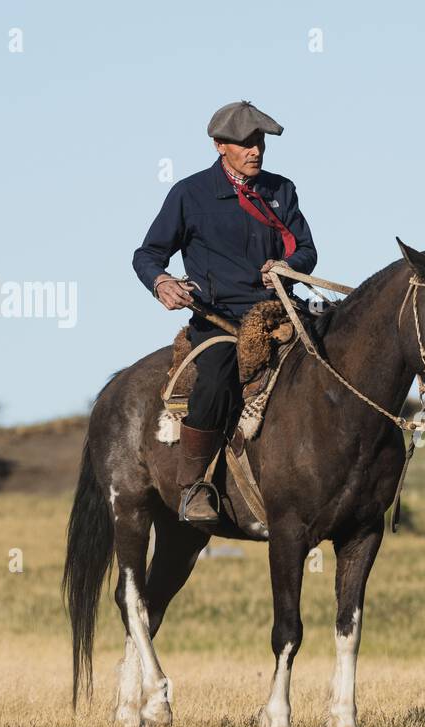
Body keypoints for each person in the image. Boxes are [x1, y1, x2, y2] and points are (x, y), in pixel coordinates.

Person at [132, 100, 318, 523]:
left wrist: (288, 266)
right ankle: (194, 485)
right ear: (220, 146)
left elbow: (306, 249)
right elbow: (148, 253)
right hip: (218, 319)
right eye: (246, 144)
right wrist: (161, 282)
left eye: (259, 143)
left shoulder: (281, 190)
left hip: (279, 311)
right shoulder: (189, 194)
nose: (256, 151)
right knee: (217, 377)